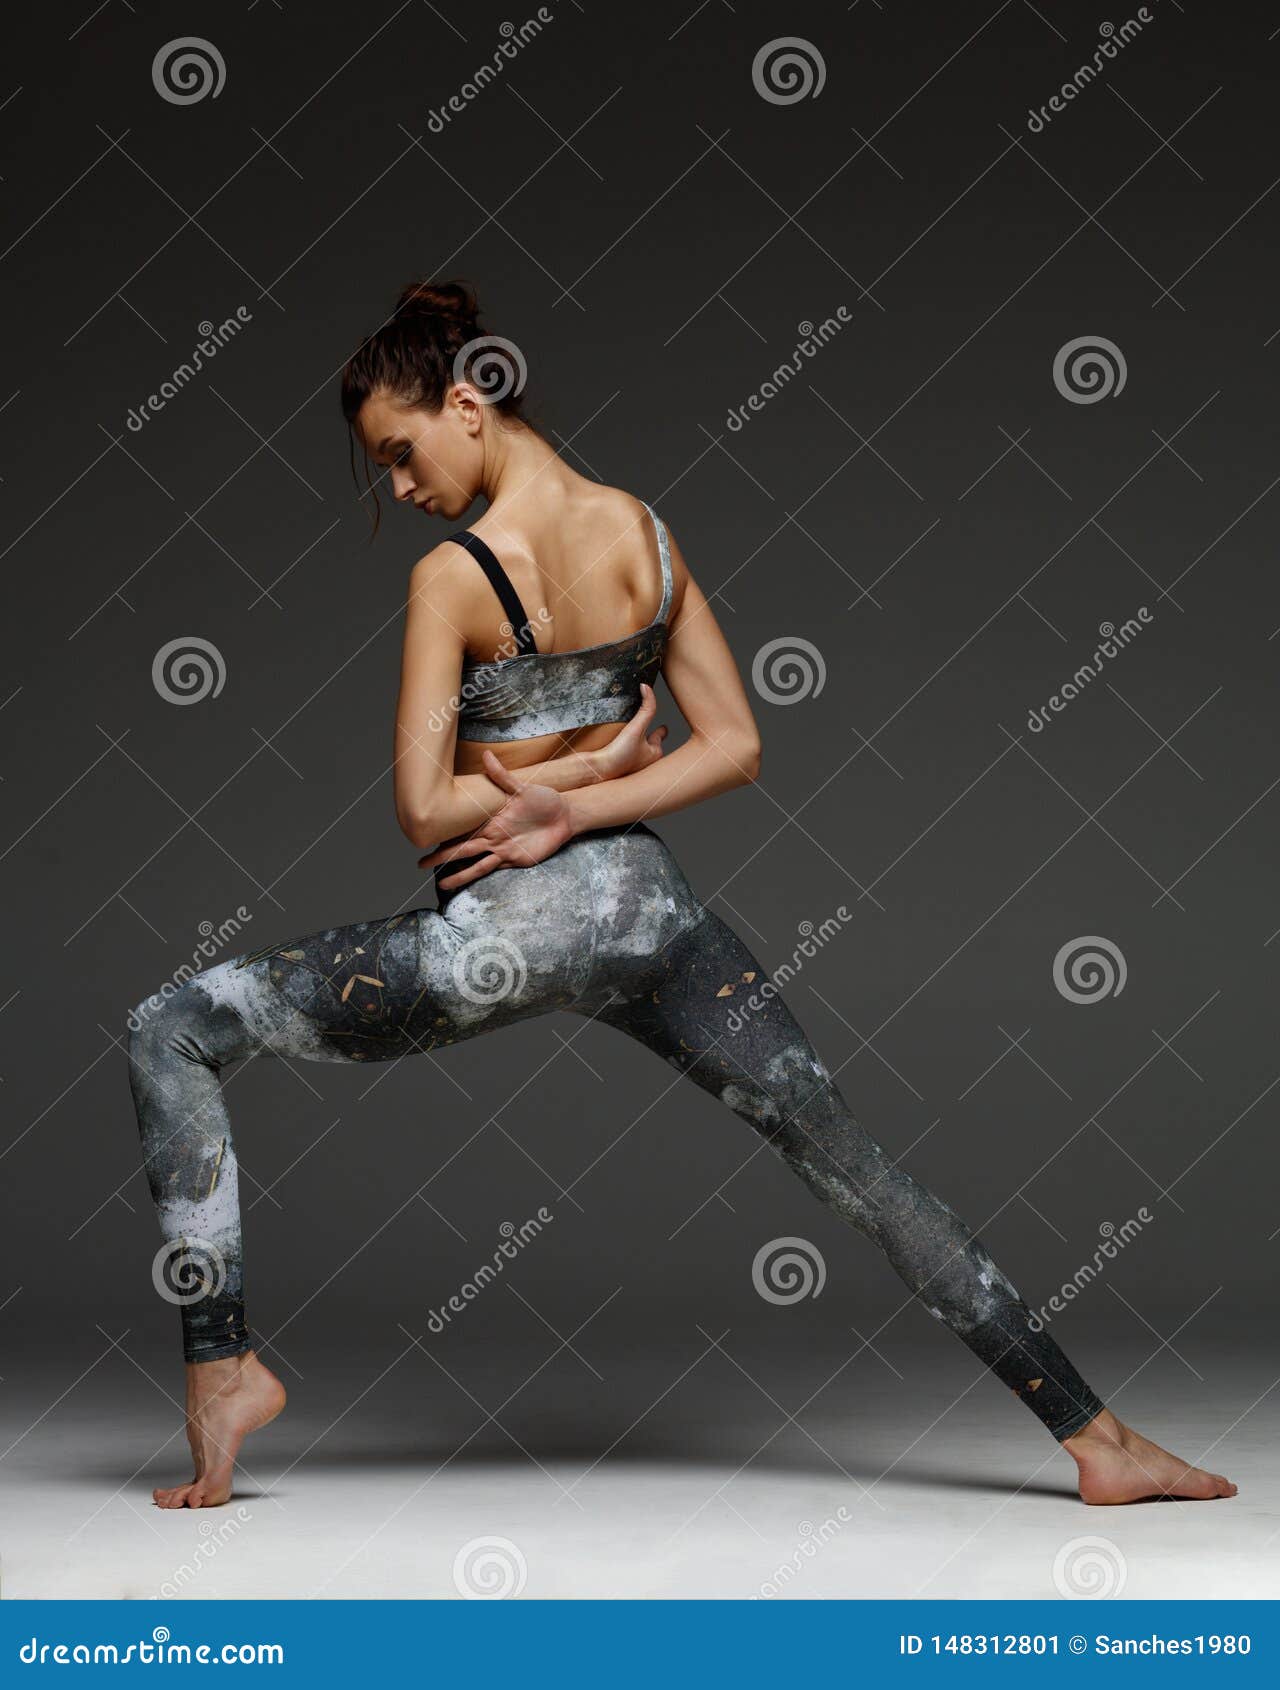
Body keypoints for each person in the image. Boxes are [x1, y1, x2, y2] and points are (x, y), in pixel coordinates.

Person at [127, 281, 1237, 1511]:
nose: (397, 487)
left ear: (466, 403)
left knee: (169, 1028)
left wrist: (550, 794)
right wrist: (602, 771)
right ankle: (1093, 1436)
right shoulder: (644, 538)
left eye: (399, 452)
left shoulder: (456, 575)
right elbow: (735, 745)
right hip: (652, 920)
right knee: (856, 1165)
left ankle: (221, 1366)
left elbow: (425, 810)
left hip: (512, 934)